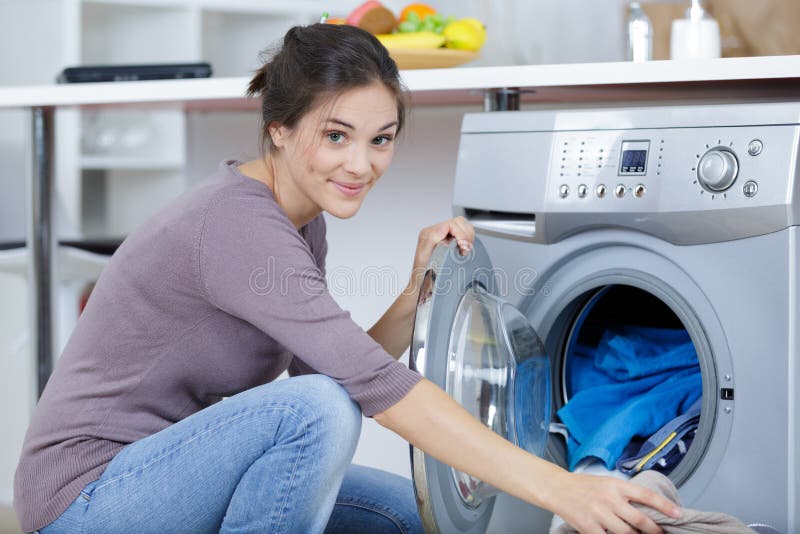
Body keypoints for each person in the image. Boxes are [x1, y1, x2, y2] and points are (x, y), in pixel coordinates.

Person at [14, 23, 681, 534]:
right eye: (336, 136)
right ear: (279, 129)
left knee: (418, 519)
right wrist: (567, 490)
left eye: (381, 139)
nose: (360, 164)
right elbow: (355, 393)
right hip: (88, 497)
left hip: (174, 474)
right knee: (319, 415)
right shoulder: (237, 226)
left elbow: (320, 370)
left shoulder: (300, 217)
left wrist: (415, 286)